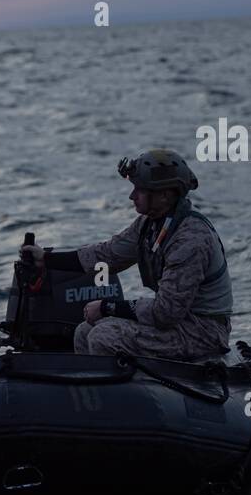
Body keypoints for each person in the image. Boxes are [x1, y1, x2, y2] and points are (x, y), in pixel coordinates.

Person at [22, 148, 233, 361]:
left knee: (104, 337)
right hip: (179, 324)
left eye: (140, 190)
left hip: (202, 332)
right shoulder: (151, 224)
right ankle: (93, 391)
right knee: (84, 331)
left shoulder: (190, 239)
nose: (132, 196)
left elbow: (166, 312)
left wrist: (108, 307)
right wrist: (46, 259)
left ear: (165, 195)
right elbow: (107, 255)